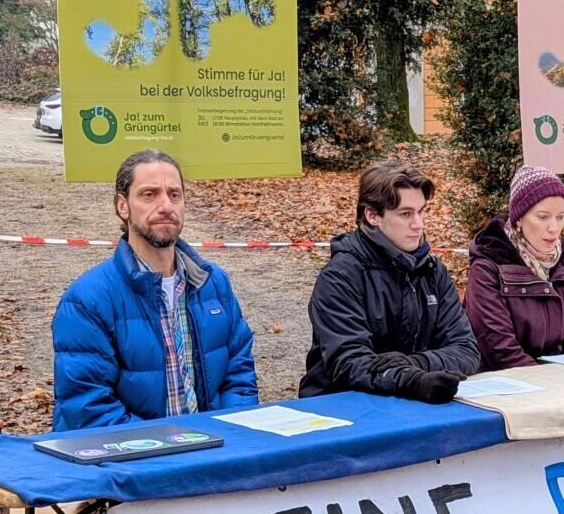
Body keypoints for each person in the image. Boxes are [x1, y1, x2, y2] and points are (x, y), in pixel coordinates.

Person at [51, 150, 258, 431]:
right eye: (149, 194)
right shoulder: (88, 300)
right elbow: (88, 407)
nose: (165, 206)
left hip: (213, 453)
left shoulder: (213, 283)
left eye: (174, 194)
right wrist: (171, 447)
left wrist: (229, 436)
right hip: (129, 462)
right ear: (122, 207)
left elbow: (239, 374)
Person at [299, 161, 480, 403]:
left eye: (422, 211)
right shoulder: (340, 276)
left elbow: (466, 349)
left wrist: (418, 364)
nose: (419, 224)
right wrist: (411, 379)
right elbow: (349, 362)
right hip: (342, 406)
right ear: (372, 215)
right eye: (406, 214)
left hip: (418, 400)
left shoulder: (433, 271)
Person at [464, 165, 564, 370]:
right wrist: (553, 384)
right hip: (506, 387)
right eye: (543, 217)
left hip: (561, 383)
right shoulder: (487, 269)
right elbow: (501, 349)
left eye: (560, 217)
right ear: (519, 219)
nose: (554, 228)